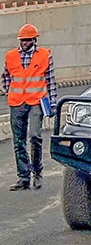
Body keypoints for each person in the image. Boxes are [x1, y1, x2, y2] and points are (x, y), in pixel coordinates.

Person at [2, 24, 56, 191]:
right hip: (17, 103)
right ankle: (23, 177)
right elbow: (5, 77)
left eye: (27, 40)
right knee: (18, 141)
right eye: (22, 40)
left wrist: (52, 103)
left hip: (36, 102)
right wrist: (7, 91)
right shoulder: (11, 56)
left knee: (34, 136)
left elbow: (50, 81)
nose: (24, 43)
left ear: (34, 40)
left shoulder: (45, 55)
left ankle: (37, 174)